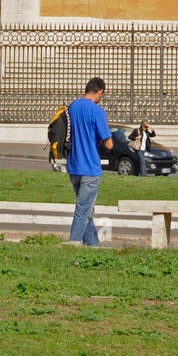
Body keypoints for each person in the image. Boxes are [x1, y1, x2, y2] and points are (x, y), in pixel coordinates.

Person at [66, 77, 113, 246]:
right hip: (90, 167)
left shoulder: (72, 106)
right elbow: (109, 143)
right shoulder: (97, 111)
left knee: (86, 210)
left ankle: (93, 245)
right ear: (100, 92)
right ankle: (74, 241)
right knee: (83, 209)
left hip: (73, 166)